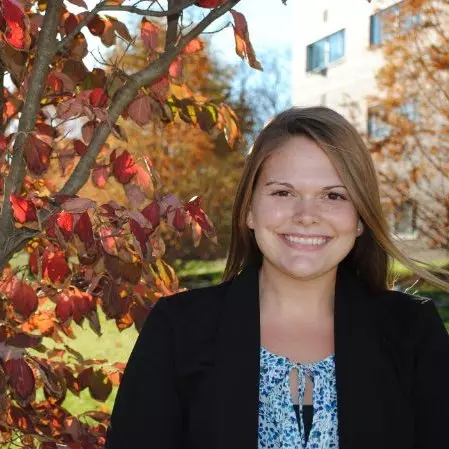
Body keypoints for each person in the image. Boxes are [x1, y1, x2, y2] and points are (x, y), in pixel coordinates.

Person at [105, 107, 449, 449]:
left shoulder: (412, 333)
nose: (306, 216)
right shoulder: (177, 330)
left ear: (360, 218)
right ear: (249, 210)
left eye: (333, 195)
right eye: (284, 192)